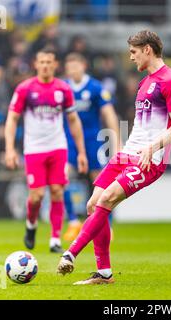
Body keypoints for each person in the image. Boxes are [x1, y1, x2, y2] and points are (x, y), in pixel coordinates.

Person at [56, 30, 171, 284]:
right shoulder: (145, 81)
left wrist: (151, 148)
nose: (131, 57)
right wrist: (125, 147)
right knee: (93, 204)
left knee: (107, 198)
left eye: (133, 52)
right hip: (129, 153)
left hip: (151, 158)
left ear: (147, 49)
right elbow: (143, 125)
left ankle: (70, 254)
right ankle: (104, 273)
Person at [4, 48, 88, 253]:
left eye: (49, 62)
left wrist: (81, 152)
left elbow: (73, 120)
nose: (45, 66)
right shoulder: (25, 89)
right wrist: (9, 149)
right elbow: (12, 119)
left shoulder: (63, 89)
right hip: (34, 149)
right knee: (36, 196)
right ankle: (31, 225)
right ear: (36, 64)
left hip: (57, 147)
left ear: (55, 65)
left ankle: (55, 239)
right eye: (42, 62)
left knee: (58, 191)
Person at [62, 53, 121, 242]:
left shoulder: (95, 87)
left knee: (101, 183)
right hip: (70, 141)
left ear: (83, 65)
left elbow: (109, 114)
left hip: (93, 141)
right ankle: (72, 221)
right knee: (62, 178)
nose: (72, 69)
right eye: (69, 66)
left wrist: (116, 142)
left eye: (75, 65)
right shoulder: (63, 89)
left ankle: (106, 225)